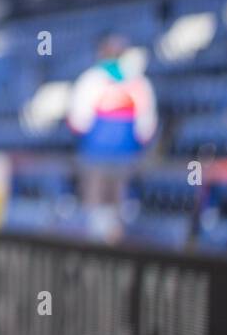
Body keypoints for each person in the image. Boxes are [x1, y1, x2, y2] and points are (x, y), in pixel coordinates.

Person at [66, 33, 158, 243]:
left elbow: (79, 122)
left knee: (100, 208)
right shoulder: (139, 83)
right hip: (123, 157)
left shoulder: (90, 80)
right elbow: (147, 129)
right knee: (116, 209)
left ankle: (106, 245)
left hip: (99, 157)